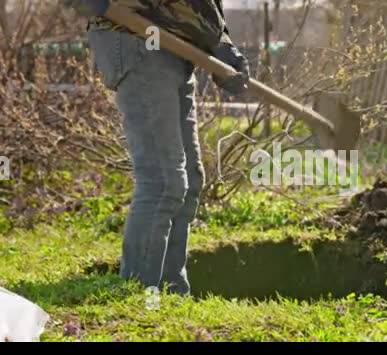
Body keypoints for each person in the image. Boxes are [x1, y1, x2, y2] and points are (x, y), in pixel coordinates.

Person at [65, 0, 250, 295]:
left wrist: (221, 42)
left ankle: (171, 292)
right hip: (137, 35)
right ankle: (141, 293)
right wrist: (215, 41)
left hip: (175, 44)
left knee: (190, 179)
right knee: (163, 180)